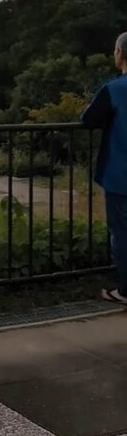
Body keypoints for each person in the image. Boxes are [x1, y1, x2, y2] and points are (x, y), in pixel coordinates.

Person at [80, 31, 127, 303]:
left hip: (121, 174)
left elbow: (89, 119)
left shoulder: (114, 89)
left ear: (119, 53)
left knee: (122, 234)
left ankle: (124, 290)